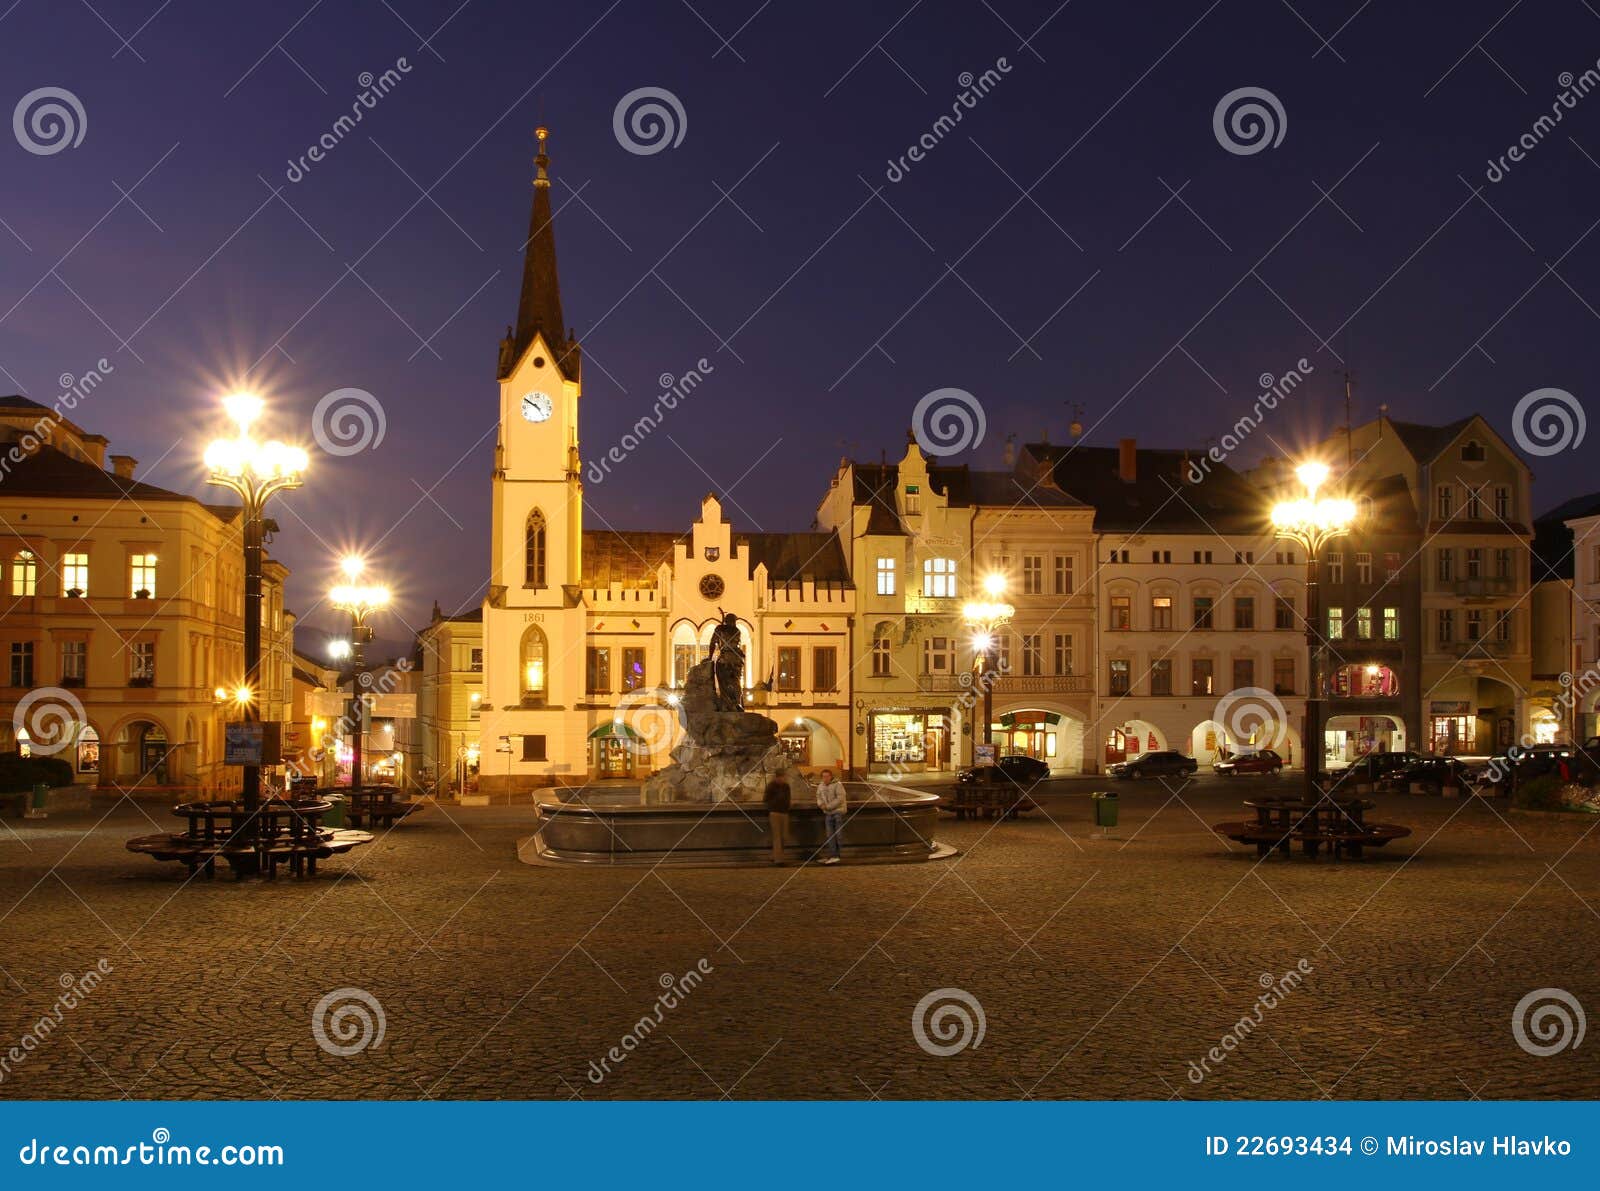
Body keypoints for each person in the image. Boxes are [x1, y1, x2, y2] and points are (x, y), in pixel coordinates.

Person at [815, 769, 847, 865]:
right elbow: (818, 796)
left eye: (827, 776)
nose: (825, 778)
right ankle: (833, 855)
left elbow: (840, 799)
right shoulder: (821, 786)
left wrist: (828, 806)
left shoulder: (838, 785)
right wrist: (821, 804)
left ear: (831, 777)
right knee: (830, 835)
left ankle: (836, 856)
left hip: (838, 812)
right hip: (828, 813)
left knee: (838, 835)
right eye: (823, 776)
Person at [763, 776, 791, 865]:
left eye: (784, 777)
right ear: (776, 777)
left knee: (784, 837)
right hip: (774, 813)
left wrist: (787, 805)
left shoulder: (786, 786)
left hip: (784, 813)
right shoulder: (771, 786)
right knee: (777, 837)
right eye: (781, 777)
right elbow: (765, 799)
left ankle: (775, 856)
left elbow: (788, 798)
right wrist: (773, 805)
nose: (782, 779)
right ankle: (779, 860)